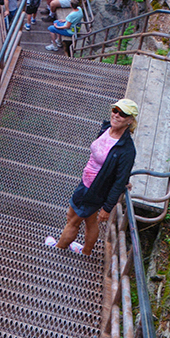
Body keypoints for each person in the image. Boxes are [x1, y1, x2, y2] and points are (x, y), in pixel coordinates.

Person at [45, 99, 138, 257]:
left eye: (122, 114)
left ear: (130, 120)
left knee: (73, 220)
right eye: (115, 110)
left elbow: (120, 180)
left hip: (95, 189)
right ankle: (86, 252)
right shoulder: (107, 128)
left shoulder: (127, 149)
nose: (116, 115)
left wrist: (107, 208)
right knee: (88, 220)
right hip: (86, 182)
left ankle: (58, 249)